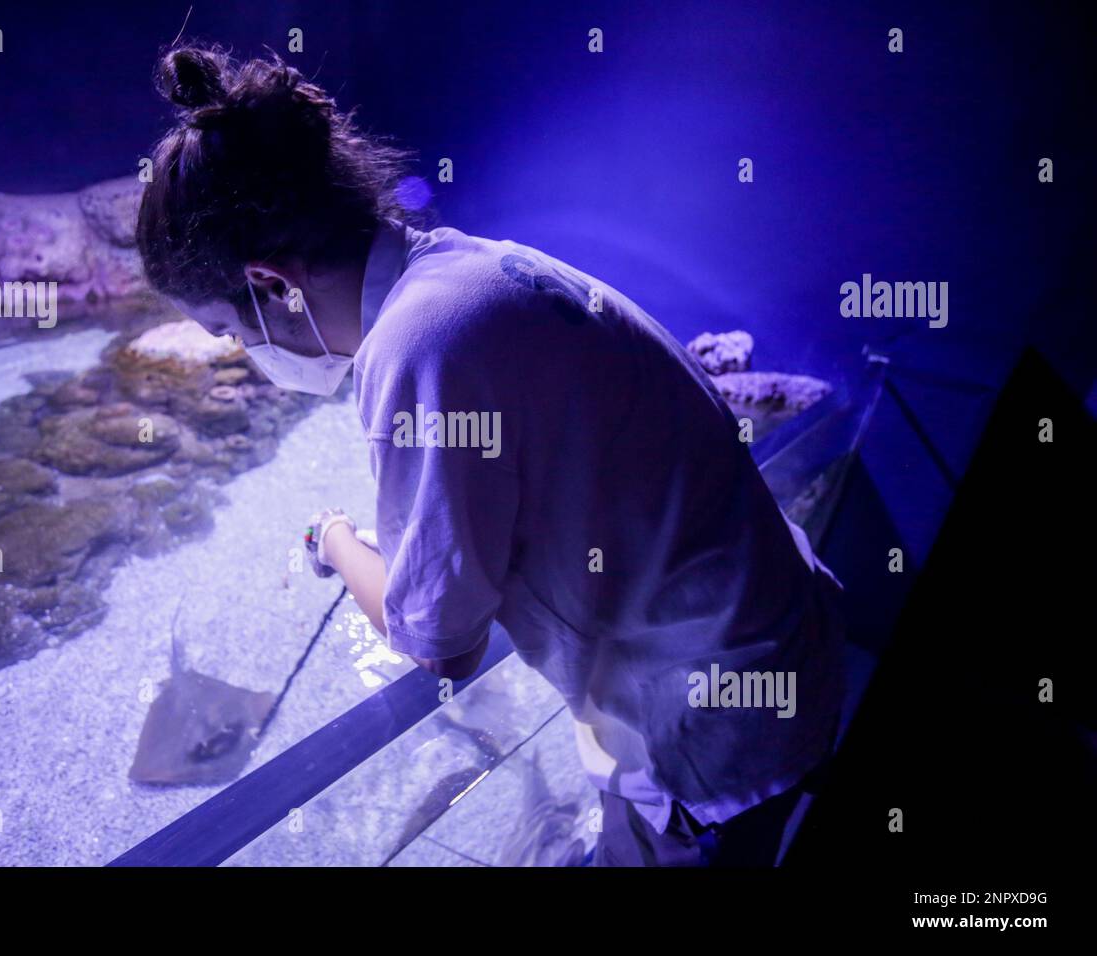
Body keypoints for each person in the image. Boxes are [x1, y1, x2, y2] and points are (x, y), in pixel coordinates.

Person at [136, 44, 847, 867]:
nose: (242, 350)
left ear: (269, 284)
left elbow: (440, 641)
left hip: (710, 726)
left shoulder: (416, 347)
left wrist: (334, 538)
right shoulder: (468, 267)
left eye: (228, 330)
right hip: (779, 651)